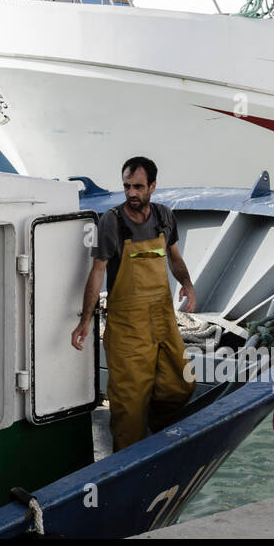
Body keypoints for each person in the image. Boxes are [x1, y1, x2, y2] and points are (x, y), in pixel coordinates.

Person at [70, 156, 196, 452]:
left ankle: (154, 433)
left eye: (138, 187)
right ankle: (125, 463)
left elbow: (174, 258)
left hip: (163, 319)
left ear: (152, 186)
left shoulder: (165, 216)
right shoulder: (111, 222)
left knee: (181, 383)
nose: (132, 193)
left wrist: (188, 286)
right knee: (129, 404)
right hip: (127, 326)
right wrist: (85, 320)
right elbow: (98, 271)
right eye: (127, 186)